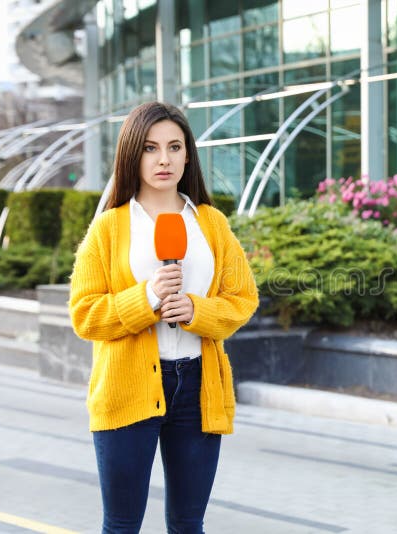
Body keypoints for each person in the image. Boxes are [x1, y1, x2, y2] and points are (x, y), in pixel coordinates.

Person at [69, 101, 259, 533]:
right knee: (121, 526)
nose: (164, 159)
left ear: (188, 155)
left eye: (175, 147)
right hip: (126, 388)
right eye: (151, 148)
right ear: (132, 154)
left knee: (189, 525)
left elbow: (242, 298)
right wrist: (146, 298)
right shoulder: (109, 228)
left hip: (197, 388)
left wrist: (198, 310)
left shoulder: (211, 224)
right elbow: (85, 315)